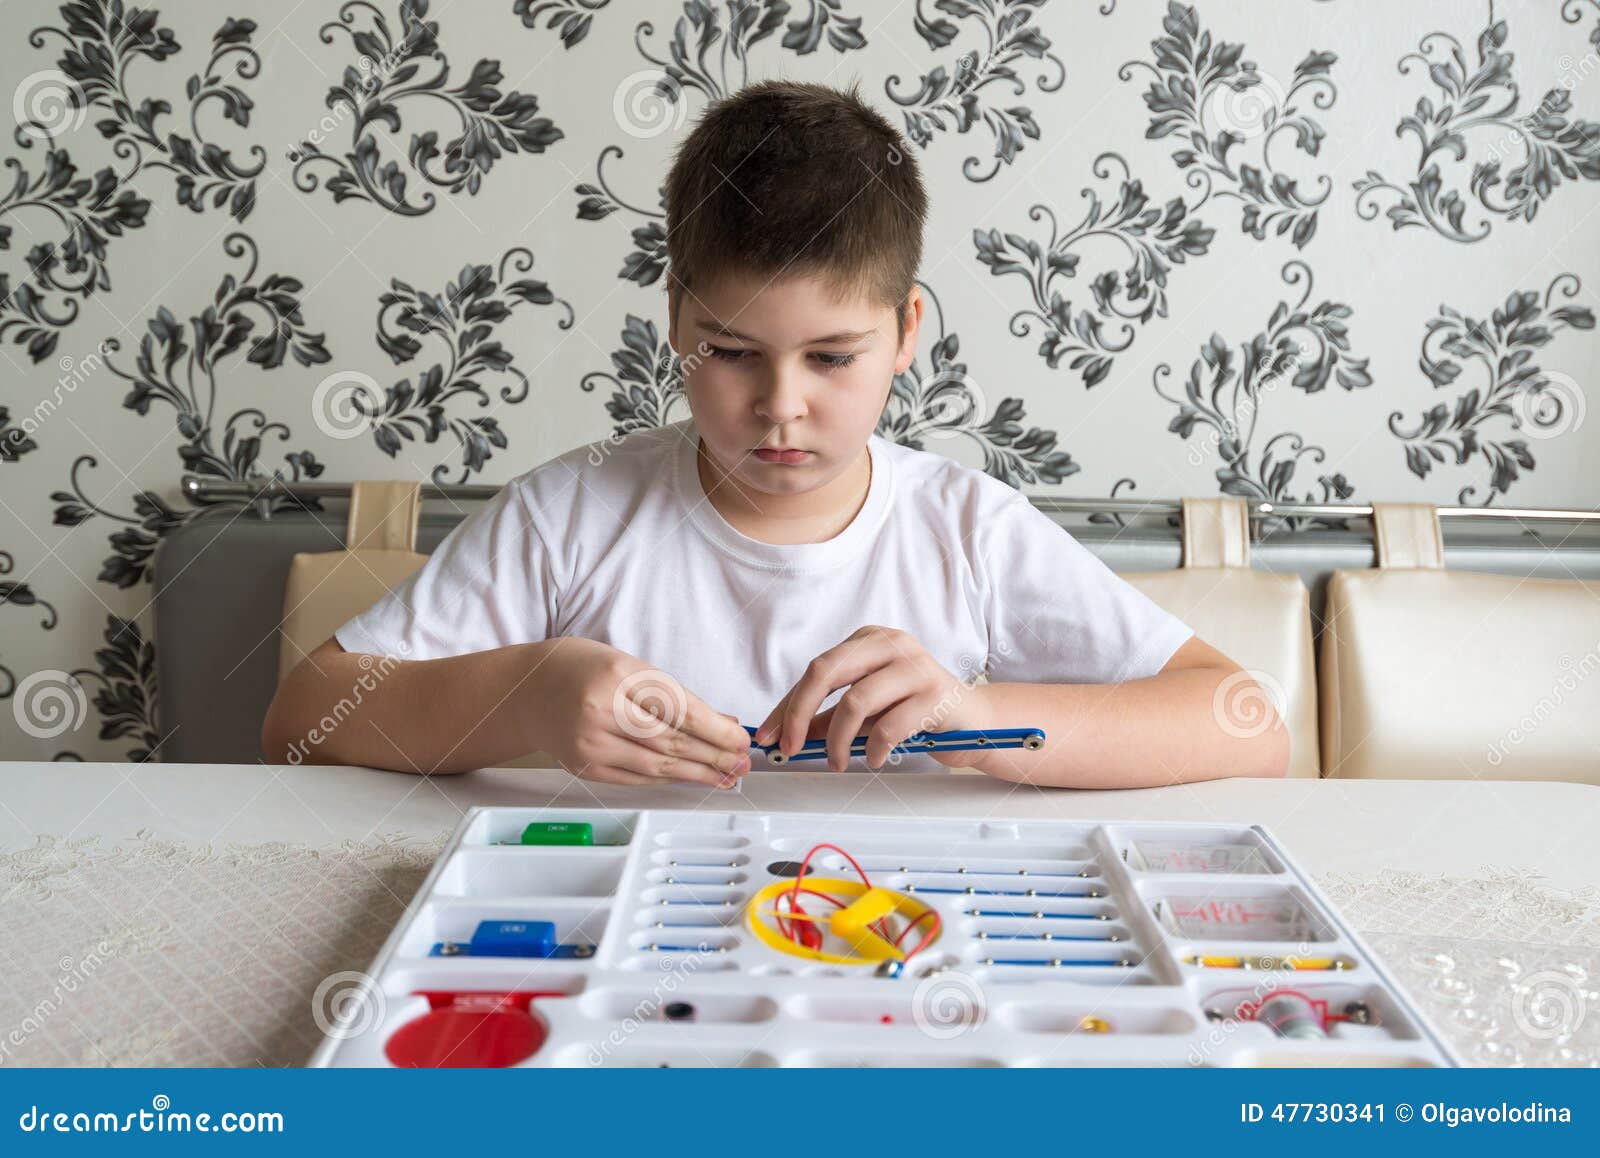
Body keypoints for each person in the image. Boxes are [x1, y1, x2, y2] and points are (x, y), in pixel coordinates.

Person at [261, 80, 1288, 789]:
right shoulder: (570, 515)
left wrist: (974, 718)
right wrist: (528, 698)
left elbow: (1249, 726)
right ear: (675, 322)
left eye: (832, 358)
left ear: (904, 334)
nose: (780, 407)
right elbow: (300, 723)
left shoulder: (968, 529)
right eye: (732, 352)